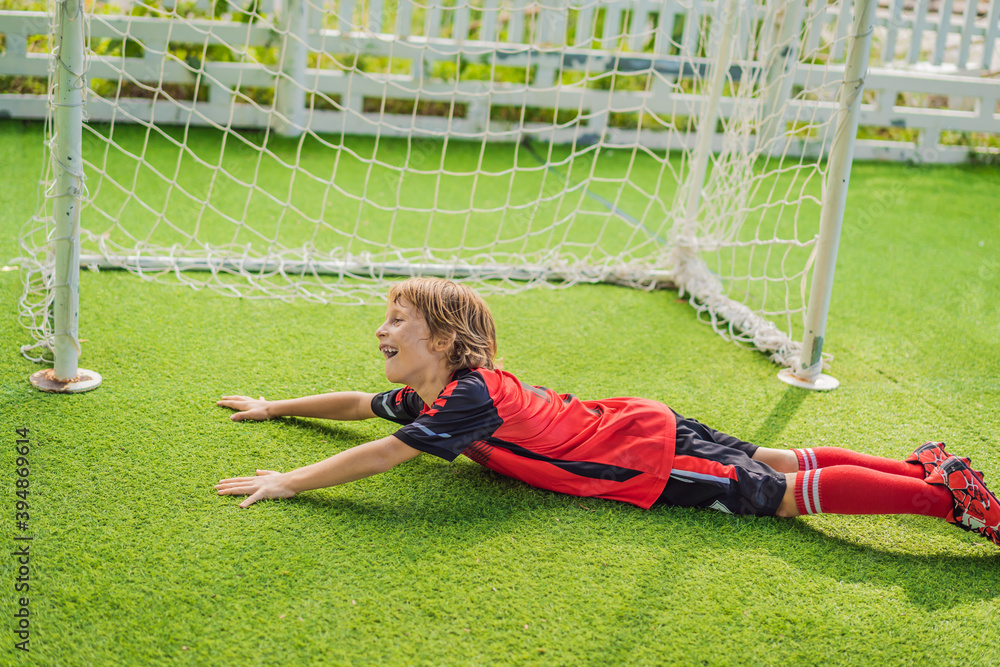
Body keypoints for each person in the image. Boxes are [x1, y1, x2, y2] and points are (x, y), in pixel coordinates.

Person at [215, 277, 1000, 547]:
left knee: (779, 494)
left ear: (446, 340)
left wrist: (289, 480)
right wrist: (274, 406)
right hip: (638, 420)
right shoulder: (443, 392)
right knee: (770, 461)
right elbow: (359, 405)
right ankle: (925, 468)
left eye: (396, 321)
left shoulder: (466, 398)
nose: (380, 330)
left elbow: (386, 451)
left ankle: (944, 501)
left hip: (634, 455)